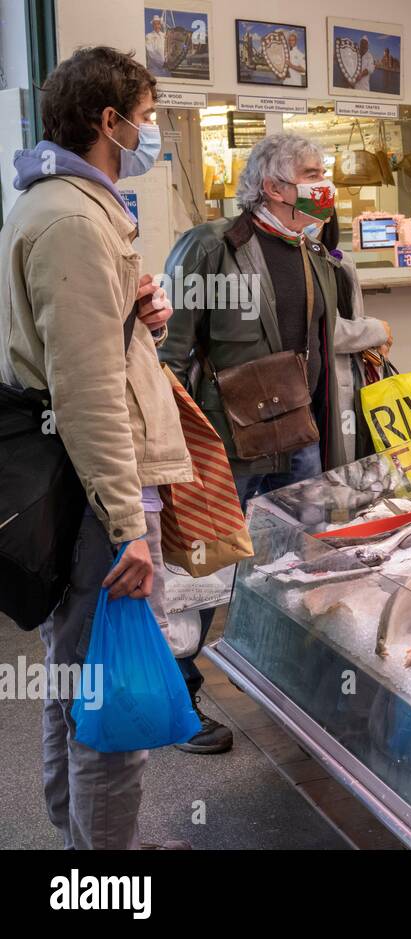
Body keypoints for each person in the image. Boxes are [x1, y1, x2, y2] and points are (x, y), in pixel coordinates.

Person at [0, 46, 192, 848]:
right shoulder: (77, 220)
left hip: (81, 488)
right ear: (107, 122)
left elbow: (83, 344)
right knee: (110, 702)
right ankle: (102, 872)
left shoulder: (65, 204)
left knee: (72, 677)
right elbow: (85, 398)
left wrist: (138, 308)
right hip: (94, 501)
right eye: (144, 119)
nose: (150, 134)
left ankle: (81, 841)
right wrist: (129, 528)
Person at [160, 133, 347, 752]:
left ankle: (289, 682)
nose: (326, 184)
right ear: (273, 186)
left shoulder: (314, 253)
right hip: (223, 445)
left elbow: (323, 349)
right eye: (314, 174)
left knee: (295, 563)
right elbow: (168, 354)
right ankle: (179, 696)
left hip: (298, 438)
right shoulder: (210, 248)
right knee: (202, 571)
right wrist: (171, 448)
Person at [317, 211, 393, 463]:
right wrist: (376, 330)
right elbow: (324, 331)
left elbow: (354, 316)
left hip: (355, 379)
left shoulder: (343, 261)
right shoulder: (295, 263)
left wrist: (373, 340)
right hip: (317, 383)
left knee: (360, 457)